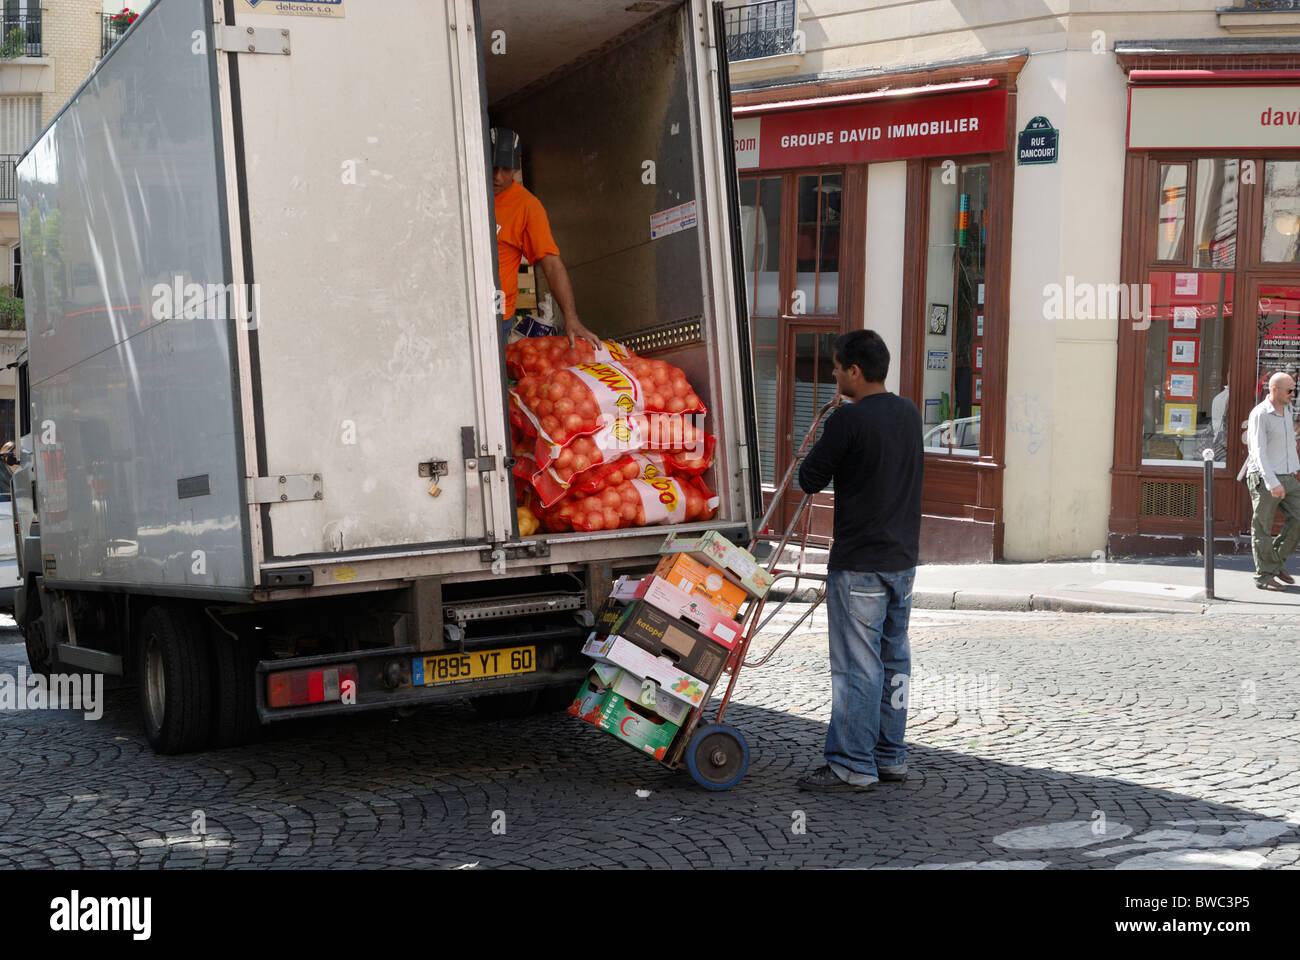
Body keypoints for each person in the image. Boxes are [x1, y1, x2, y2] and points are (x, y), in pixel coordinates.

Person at [795, 329, 924, 791]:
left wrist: (826, 434)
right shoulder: (908, 413)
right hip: (903, 560)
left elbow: (808, 479)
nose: (832, 374)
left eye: (835, 367)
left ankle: (852, 763)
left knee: (858, 667)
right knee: (894, 660)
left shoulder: (847, 421)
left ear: (855, 370)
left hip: (859, 562)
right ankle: (890, 756)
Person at [490, 127, 599, 349]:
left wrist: (571, 317)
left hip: (496, 313)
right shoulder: (463, 191)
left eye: (506, 169)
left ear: (517, 165)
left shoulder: (528, 207)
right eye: (492, 167)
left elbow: (551, 265)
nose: (498, 177)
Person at [1244, 370, 1300, 591]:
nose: (1292, 394)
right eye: (1289, 390)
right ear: (1274, 389)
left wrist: (1293, 470)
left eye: (1294, 390)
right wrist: (1271, 482)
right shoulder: (1260, 414)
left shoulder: (1287, 409)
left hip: (1288, 475)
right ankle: (1264, 577)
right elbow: (1258, 452)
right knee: (1262, 527)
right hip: (1265, 477)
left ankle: (1274, 563)